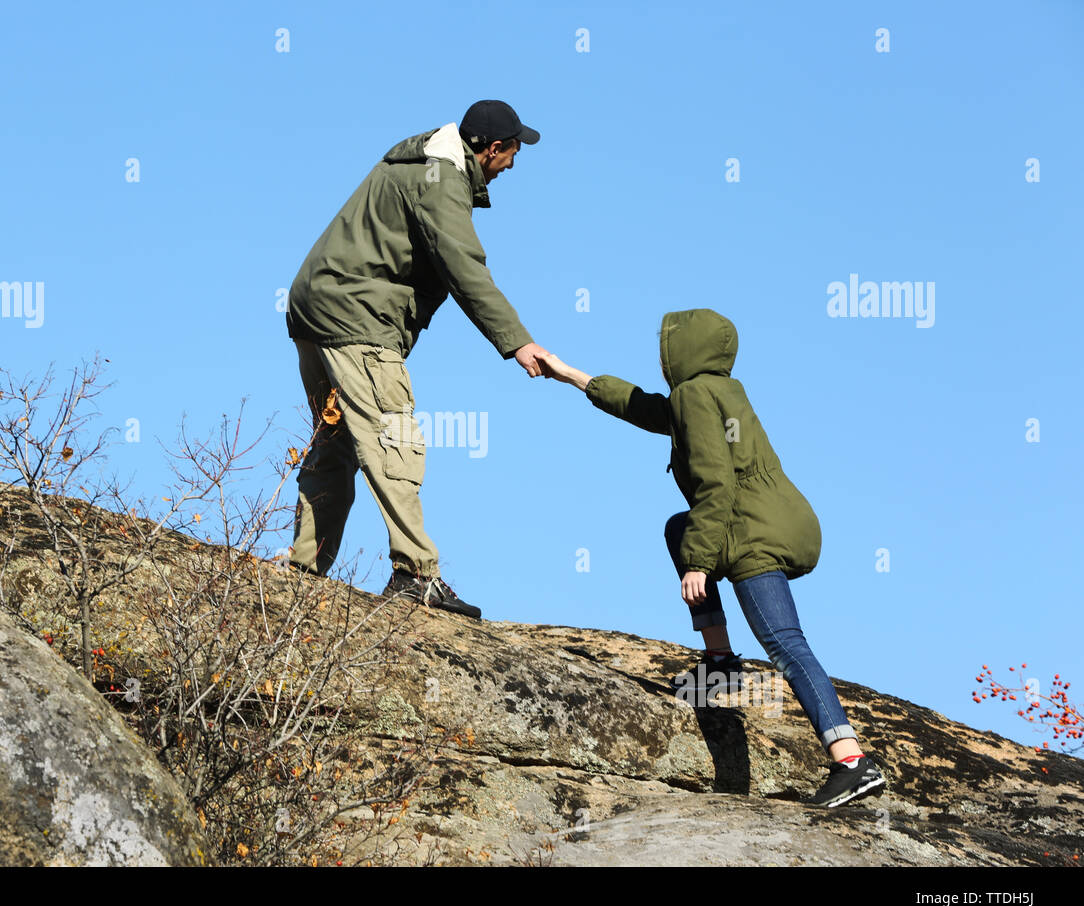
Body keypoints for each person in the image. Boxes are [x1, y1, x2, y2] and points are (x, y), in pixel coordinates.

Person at [537, 309, 886, 807]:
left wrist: (699, 563)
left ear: (680, 350)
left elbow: (715, 483)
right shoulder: (714, 391)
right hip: (773, 518)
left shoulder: (694, 394)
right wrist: (572, 374)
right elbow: (646, 409)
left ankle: (851, 761)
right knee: (678, 528)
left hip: (752, 530)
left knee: (785, 643)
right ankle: (720, 661)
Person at [285, 100, 549, 619]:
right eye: (513, 152)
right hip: (356, 321)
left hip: (315, 311)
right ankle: (416, 573)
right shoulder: (441, 178)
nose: (514, 164)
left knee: (335, 442)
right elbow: (464, 267)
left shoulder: (414, 162)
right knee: (394, 440)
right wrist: (518, 342)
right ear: (492, 149)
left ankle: (303, 568)